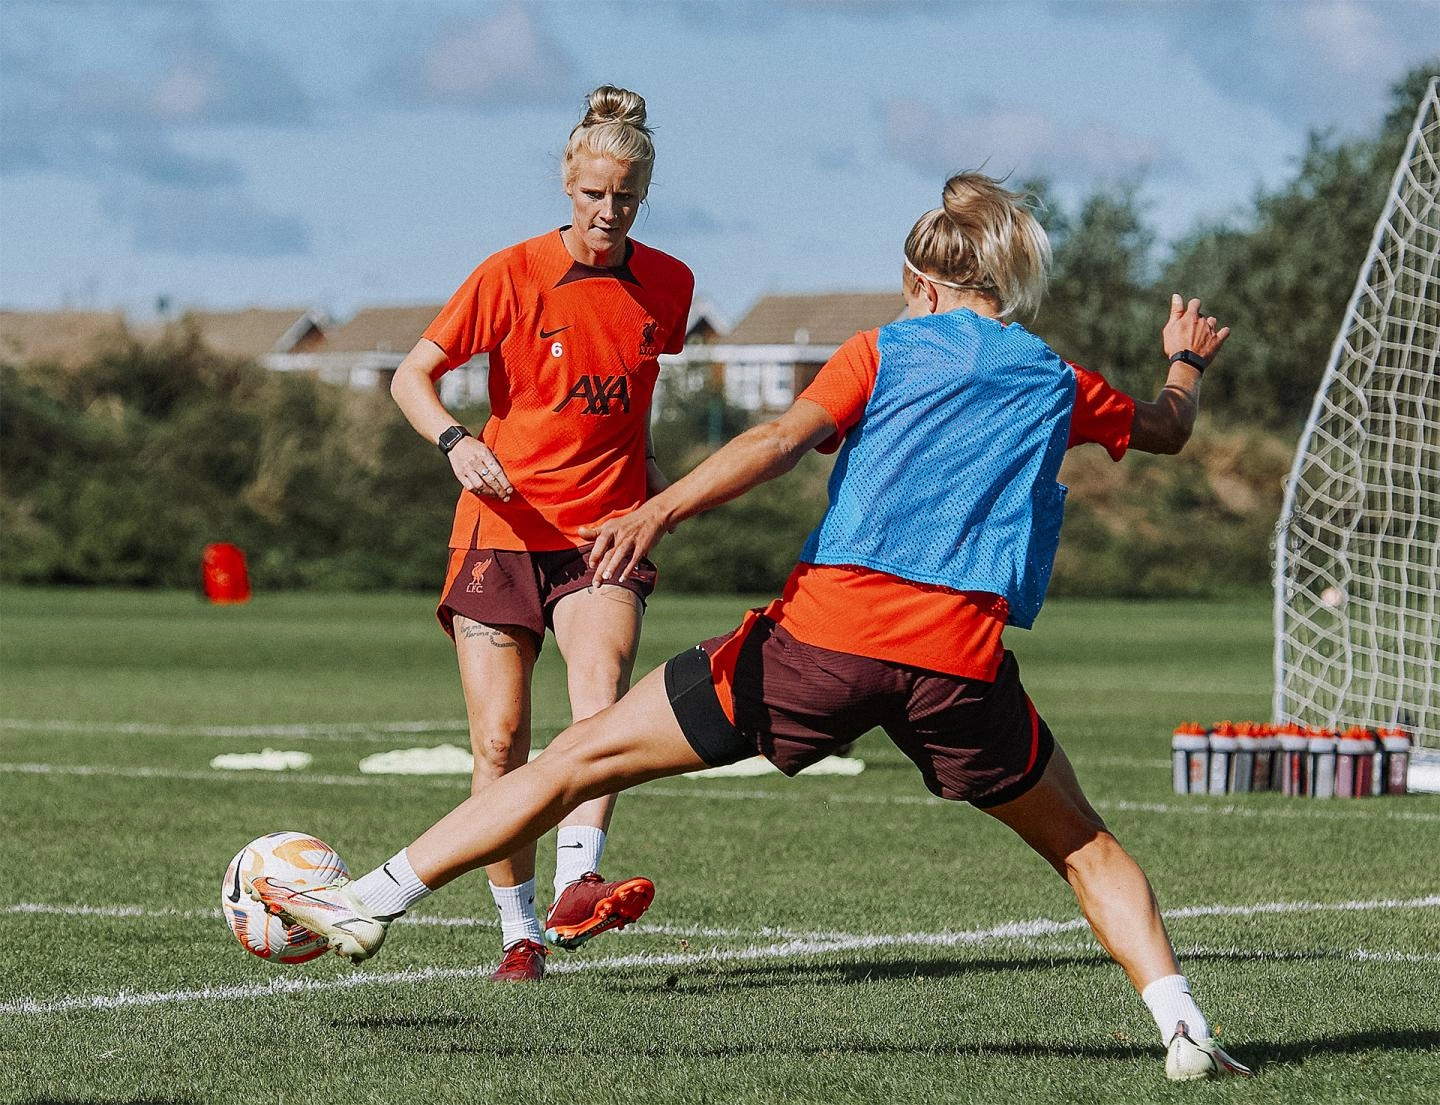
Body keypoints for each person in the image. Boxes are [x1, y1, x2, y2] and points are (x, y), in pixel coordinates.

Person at [255, 172, 1251, 1080]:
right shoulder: (1052, 378)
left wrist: (658, 508)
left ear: (919, 280)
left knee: (572, 759)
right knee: (1084, 846)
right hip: (960, 665)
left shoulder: (882, 350)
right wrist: (1182, 364)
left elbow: (779, 438)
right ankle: (1181, 1023)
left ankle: (370, 899)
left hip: (821, 644)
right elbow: (1165, 427)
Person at [383, 85, 694, 983]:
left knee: (600, 703)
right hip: (499, 531)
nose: (608, 211)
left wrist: (651, 482)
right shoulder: (507, 274)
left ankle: (577, 883)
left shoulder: (668, 285)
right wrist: (457, 439)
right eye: (594, 193)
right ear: (568, 179)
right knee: (501, 741)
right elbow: (412, 376)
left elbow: (628, 399)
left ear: (644, 192)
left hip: (603, 531)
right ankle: (519, 934)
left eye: (626, 196)